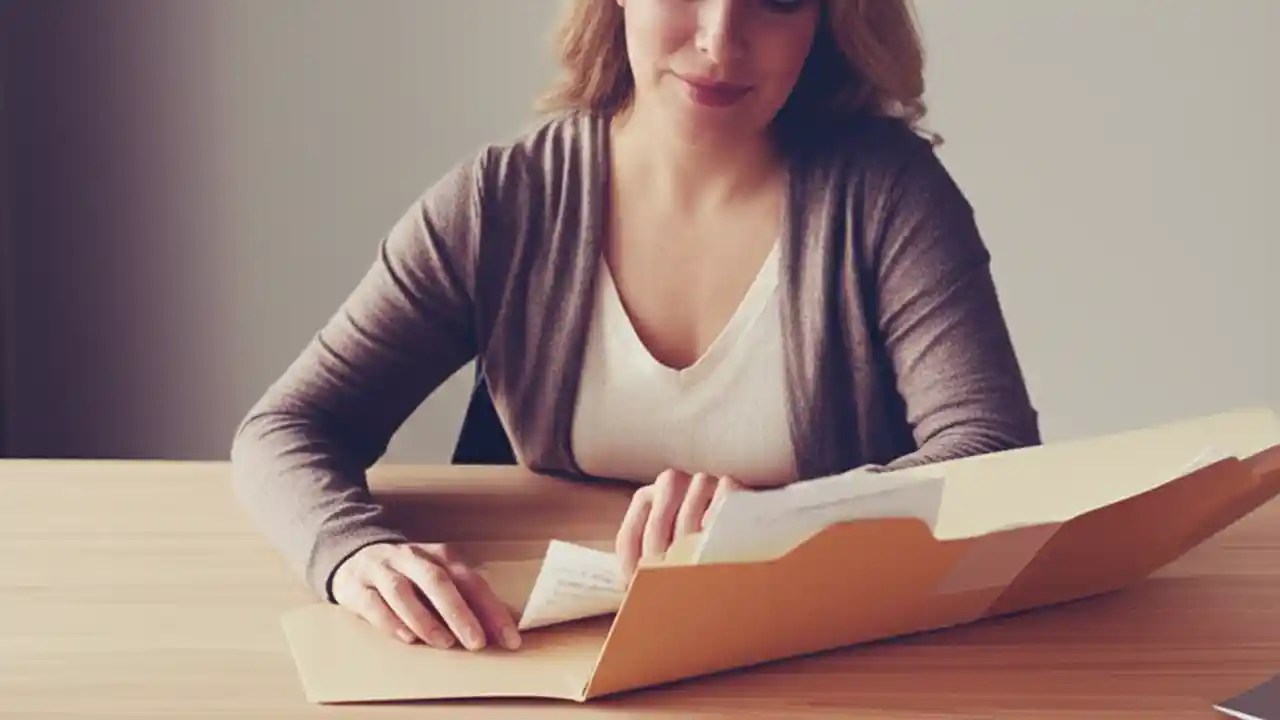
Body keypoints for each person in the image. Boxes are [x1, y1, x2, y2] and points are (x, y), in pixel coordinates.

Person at [230, 0, 1039, 656]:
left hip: (821, 659)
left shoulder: (889, 197)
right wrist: (351, 555)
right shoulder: (503, 203)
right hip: (554, 657)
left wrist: (770, 522)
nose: (720, 40)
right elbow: (287, 426)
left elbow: (995, 454)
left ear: (828, 21)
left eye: (778, 2)